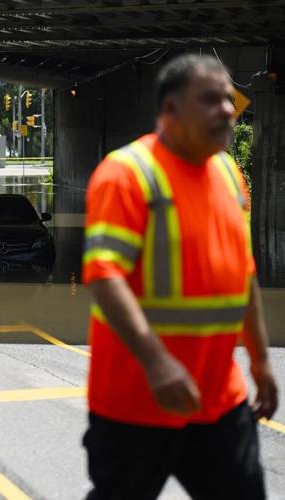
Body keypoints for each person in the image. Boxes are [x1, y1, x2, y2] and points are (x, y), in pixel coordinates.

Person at [82, 53, 279, 499]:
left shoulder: (230, 175)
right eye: (210, 100)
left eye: (229, 99)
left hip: (218, 401)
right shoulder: (128, 173)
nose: (228, 110)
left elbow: (243, 275)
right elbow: (104, 274)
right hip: (137, 402)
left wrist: (261, 361)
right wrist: (157, 364)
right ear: (169, 110)